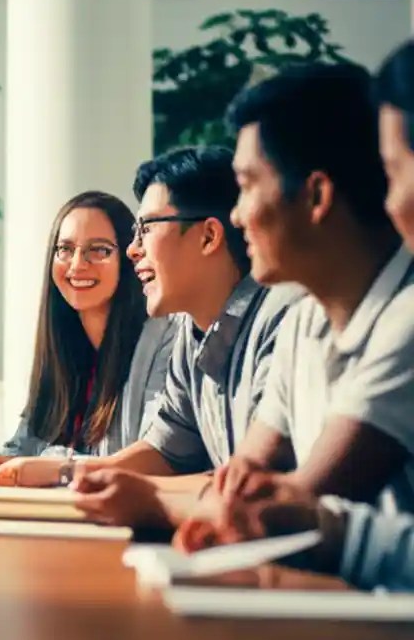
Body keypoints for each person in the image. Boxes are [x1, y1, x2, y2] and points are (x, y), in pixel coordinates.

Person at [166, 49, 414, 593]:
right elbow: (243, 484)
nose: (235, 215)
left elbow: (292, 505)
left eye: (248, 185)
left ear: (317, 195)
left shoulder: (406, 320)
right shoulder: (304, 320)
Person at [0, 149, 302, 522]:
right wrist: (55, 472)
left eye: (146, 229)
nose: (134, 249)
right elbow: (163, 451)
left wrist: (92, 480)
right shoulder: (192, 333)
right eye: (64, 250)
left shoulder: (280, 319)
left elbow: (252, 484)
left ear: (209, 236)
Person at [0, 191, 179, 485]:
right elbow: (26, 448)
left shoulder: (163, 340)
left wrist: (40, 464)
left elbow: (148, 458)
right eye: (65, 249)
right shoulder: (62, 347)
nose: (77, 264)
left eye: (99, 250)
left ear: (128, 259)